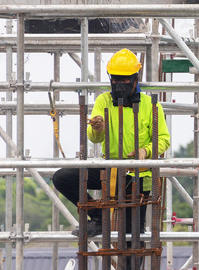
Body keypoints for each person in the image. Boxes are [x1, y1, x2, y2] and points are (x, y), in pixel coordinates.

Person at [52, 49, 170, 239]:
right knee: (63, 177)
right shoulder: (104, 100)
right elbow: (94, 138)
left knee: (132, 237)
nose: (119, 85)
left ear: (135, 79)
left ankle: (131, 269)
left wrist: (145, 151)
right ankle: (99, 217)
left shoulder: (150, 105)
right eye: (115, 80)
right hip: (110, 170)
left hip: (137, 175)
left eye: (124, 80)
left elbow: (163, 139)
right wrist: (97, 129)